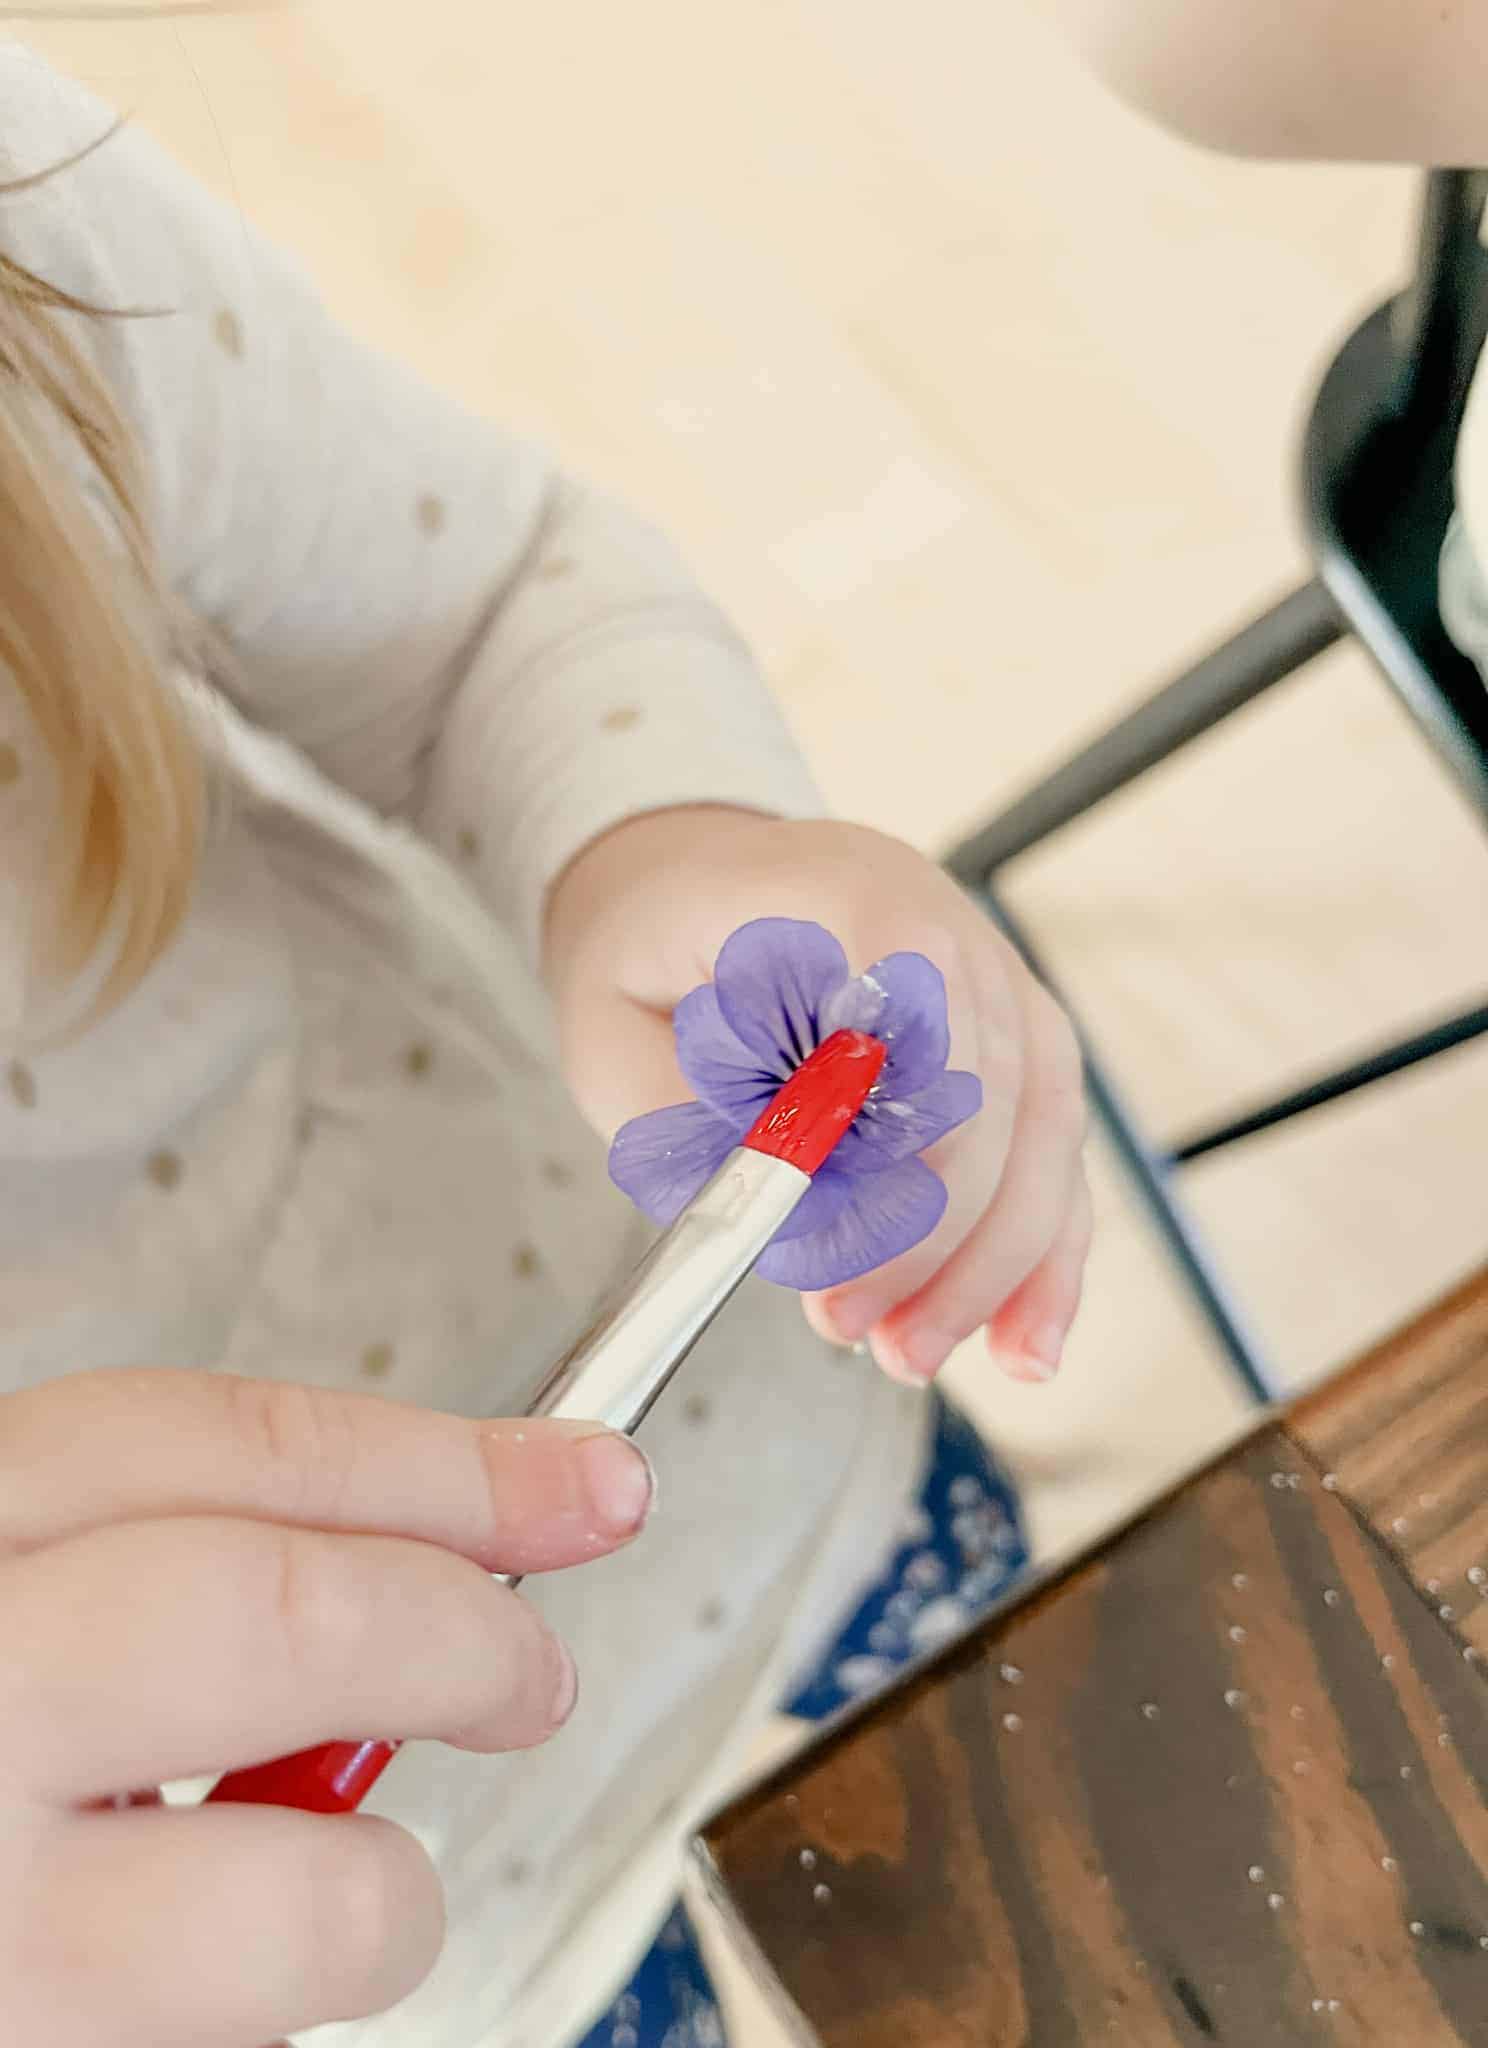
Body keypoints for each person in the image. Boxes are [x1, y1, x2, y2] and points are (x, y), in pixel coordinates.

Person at [0, 42, 1090, 2048]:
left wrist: (665, 845)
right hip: (420, 1958)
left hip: (781, 1492)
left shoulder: (19, 221)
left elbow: (482, 599)